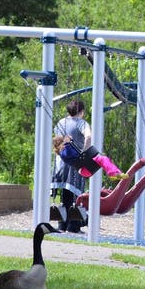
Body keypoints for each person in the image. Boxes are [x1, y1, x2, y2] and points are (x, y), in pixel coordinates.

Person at [52, 99, 92, 232]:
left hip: (61, 162)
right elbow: (88, 137)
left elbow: (56, 140)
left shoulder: (61, 123)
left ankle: (62, 224)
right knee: (76, 195)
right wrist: (83, 152)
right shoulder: (82, 123)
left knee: (64, 194)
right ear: (81, 112)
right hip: (75, 162)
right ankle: (73, 225)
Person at [54, 136, 128, 181]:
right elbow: (69, 153)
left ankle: (116, 173)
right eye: (62, 143)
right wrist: (67, 143)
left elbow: (75, 151)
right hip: (84, 168)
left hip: (85, 166)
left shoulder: (66, 149)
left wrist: (71, 141)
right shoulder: (62, 153)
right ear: (59, 145)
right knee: (101, 159)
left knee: (103, 158)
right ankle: (114, 174)